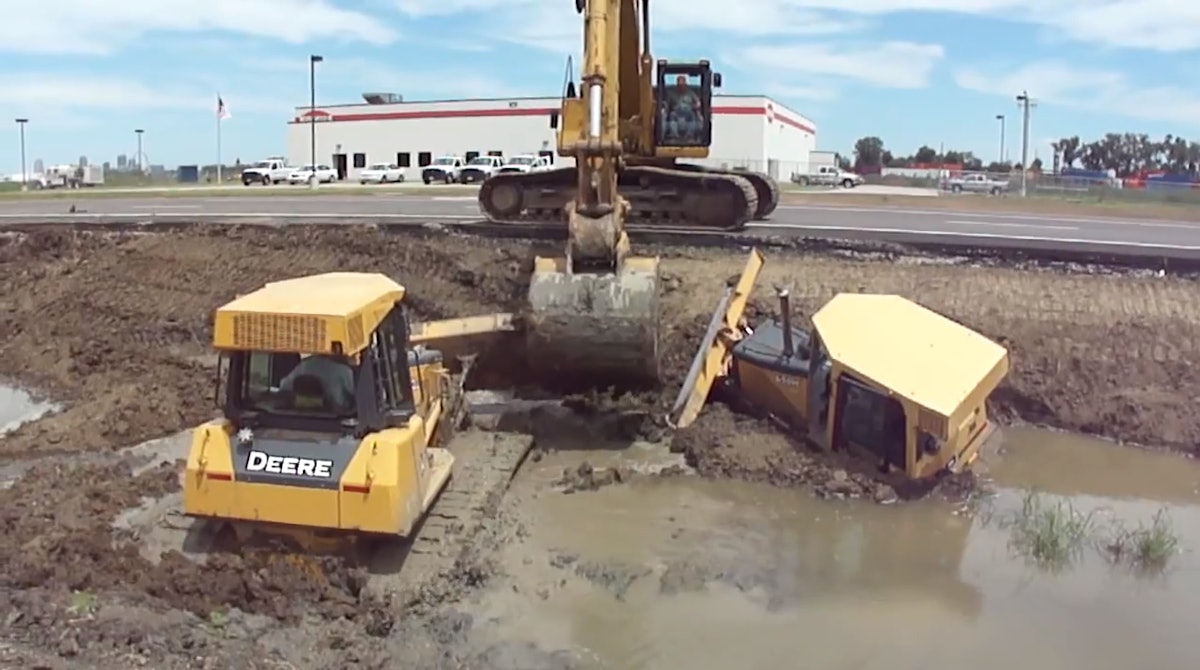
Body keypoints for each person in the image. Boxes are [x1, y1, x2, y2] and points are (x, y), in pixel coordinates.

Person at [278, 353, 356, 411]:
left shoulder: (304, 366)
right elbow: (357, 394)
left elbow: (283, 386)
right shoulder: (343, 370)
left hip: (300, 416)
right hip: (336, 418)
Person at [664, 75, 703, 143]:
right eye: (679, 85)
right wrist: (665, 111)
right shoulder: (671, 93)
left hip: (688, 111)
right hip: (676, 112)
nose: (681, 86)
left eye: (682, 84)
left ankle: (689, 137)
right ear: (677, 84)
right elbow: (667, 104)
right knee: (672, 116)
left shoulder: (690, 93)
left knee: (692, 116)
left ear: (685, 84)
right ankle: (675, 137)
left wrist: (695, 106)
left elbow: (698, 102)